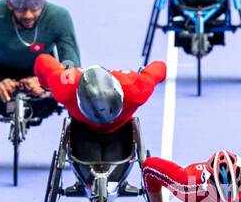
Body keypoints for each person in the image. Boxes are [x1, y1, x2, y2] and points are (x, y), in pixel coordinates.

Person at [33, 54, 165, 173]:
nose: (103, 119)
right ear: (79, 100)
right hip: (83, 130)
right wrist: (45, 85)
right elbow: (42, 60)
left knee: (114, 174)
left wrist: (44, 83)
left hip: (120, 131)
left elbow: (160, 67)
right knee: (89, 172)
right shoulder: (65, 86)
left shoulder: (135, 88)